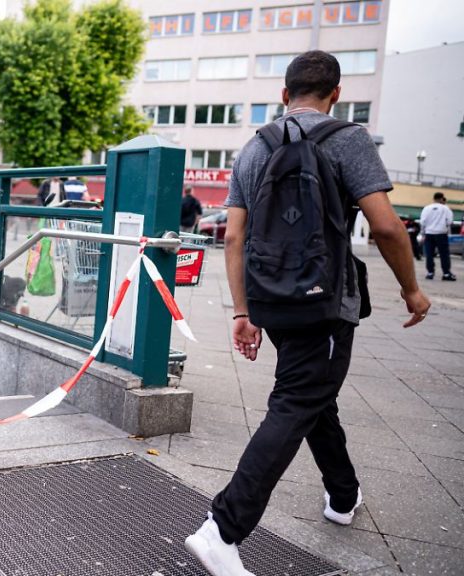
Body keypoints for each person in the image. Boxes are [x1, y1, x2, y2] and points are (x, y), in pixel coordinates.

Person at [185, 50, 432, 576]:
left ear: (283, 94)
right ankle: (222, 529)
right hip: (324, 301)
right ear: (336, 95)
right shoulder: (349, 139)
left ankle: (342, 496)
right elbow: (387, 226)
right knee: (300, 398)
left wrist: (243, 312)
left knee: (315, 393)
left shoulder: (255, 147)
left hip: (272, 299)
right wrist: (412, 289)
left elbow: (234, 236)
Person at [419, 192, 456, 281]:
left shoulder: (427, 208)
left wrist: (423, 233)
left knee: (429, 254)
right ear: (441, 198)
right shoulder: (445, 208)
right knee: (444, 254)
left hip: (429, 234)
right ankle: (446, 273)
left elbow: (423, 222)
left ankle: (430, 273)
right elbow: (449, 221)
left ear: (434, 198)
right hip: (441, 234)